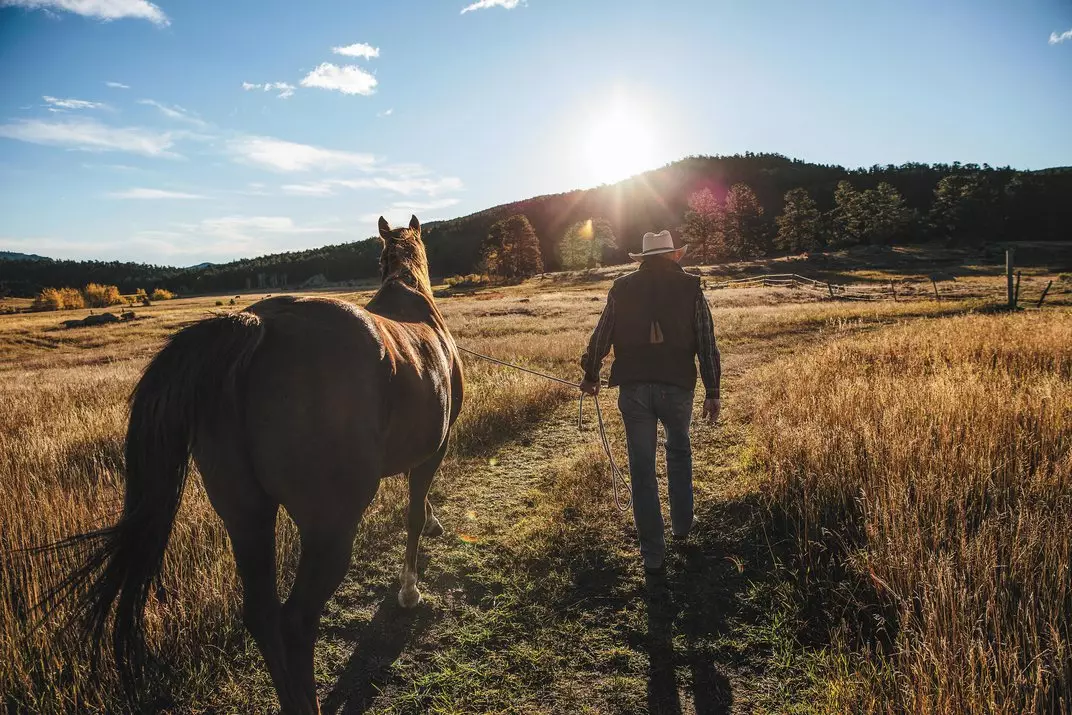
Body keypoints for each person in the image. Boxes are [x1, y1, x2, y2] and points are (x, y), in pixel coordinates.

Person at [579, 229, 721, 579]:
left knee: (642, 469)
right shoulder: (691, 288)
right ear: (674, 255)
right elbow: (706, 341)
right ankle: (683, 526)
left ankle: (653, 555)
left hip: (634, 387)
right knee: (679, 450)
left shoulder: (622, 287)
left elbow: (603, 334)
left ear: (642, 259)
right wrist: (713, 390)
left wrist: (592, 373)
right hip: (678, 385)